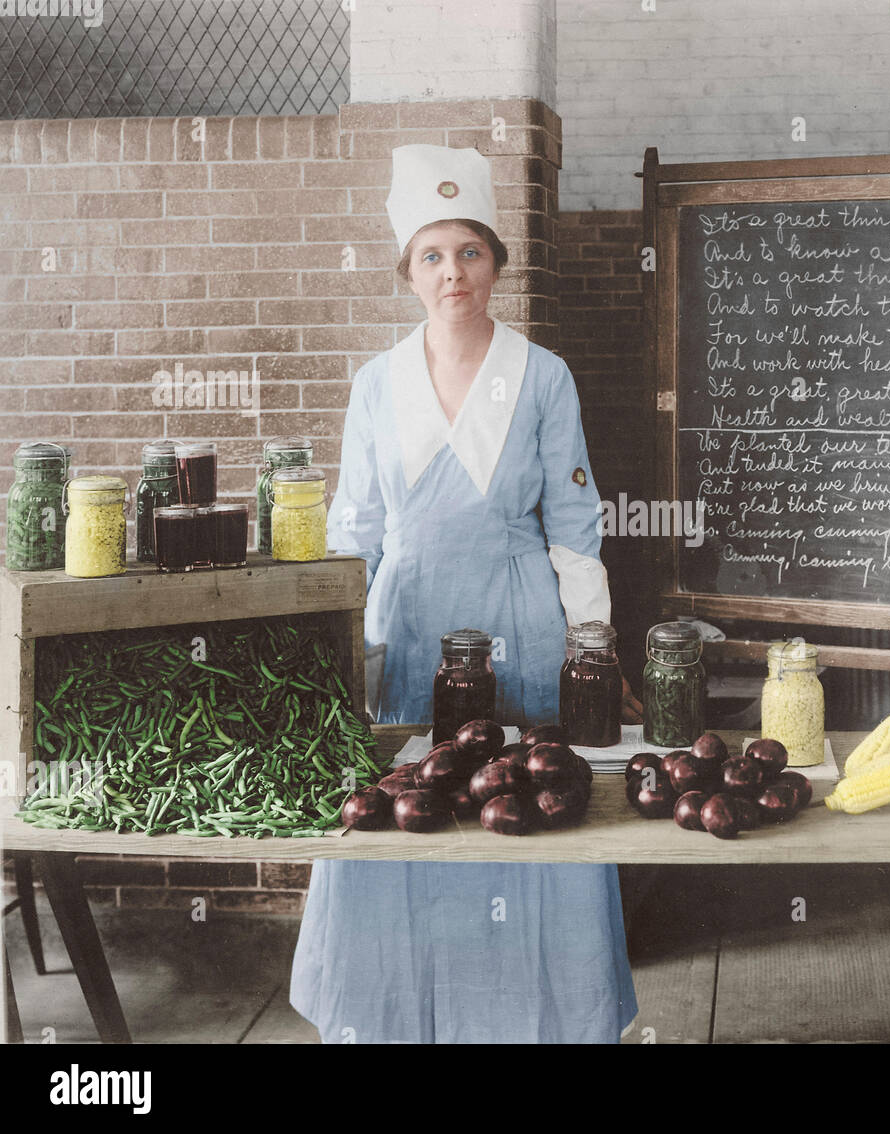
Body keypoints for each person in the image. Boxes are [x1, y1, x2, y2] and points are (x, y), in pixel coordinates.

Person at [289, 144, 638, 1043]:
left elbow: (573, 521)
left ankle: (537, 1025)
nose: (455, 274)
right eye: (434, 255)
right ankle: (392, 1023)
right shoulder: (376, 385)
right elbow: (353, 532)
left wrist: (592, 644)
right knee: (405, 806)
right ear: (408, 271)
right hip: (404, 630)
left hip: (517, 623)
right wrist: (334, 654)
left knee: (524, 807)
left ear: (497, 264)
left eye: (471, 252)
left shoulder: (542, 375)